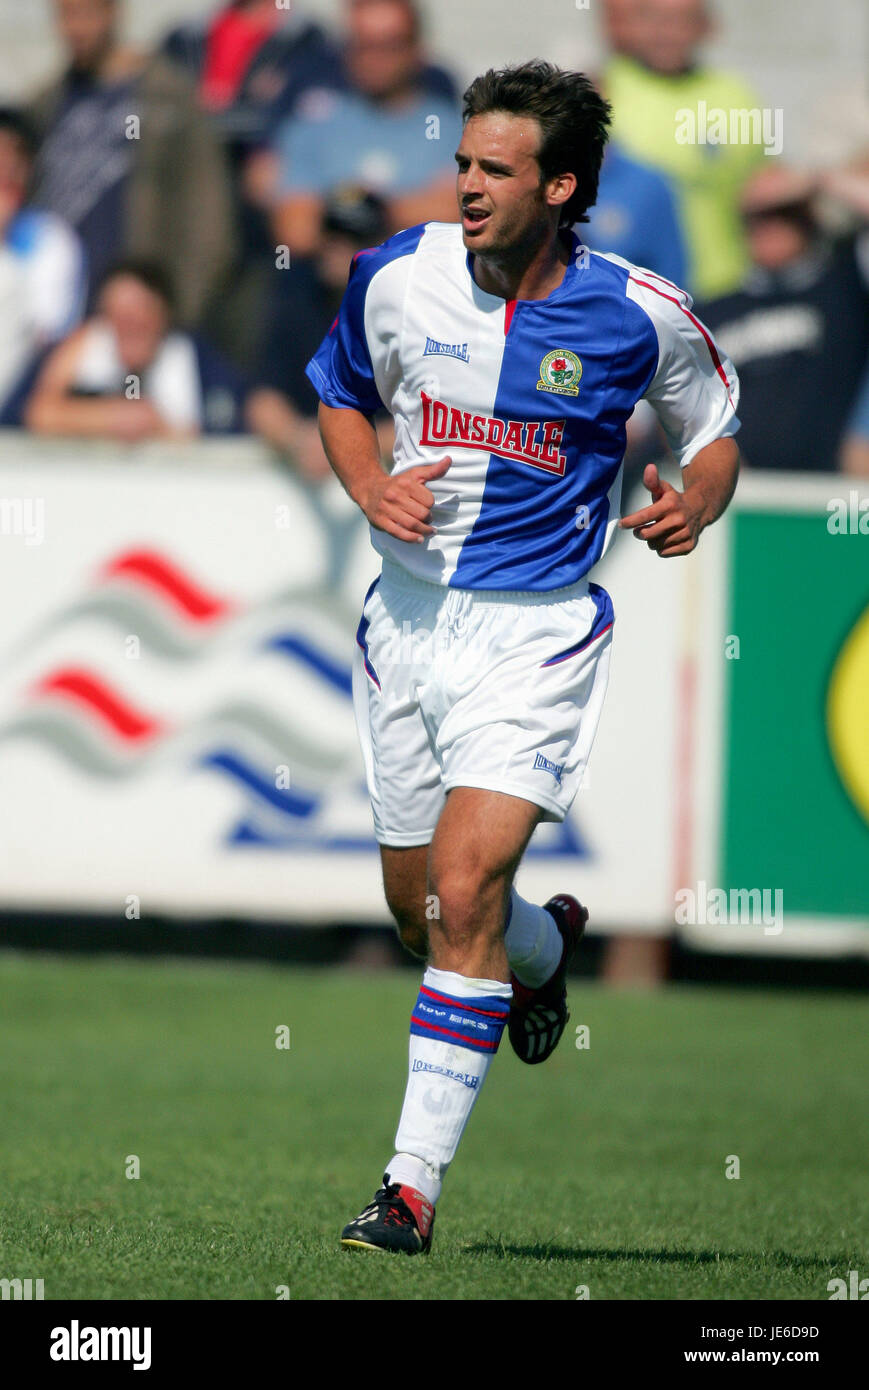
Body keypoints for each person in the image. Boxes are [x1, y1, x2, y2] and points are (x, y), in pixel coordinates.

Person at [305, 60, 740, 1253]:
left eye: (494, 171)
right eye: (461, 164)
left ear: (559, 187)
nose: (466, 188)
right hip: (404, 626)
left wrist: (692, 504)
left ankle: (406, 1192)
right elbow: (339, 393)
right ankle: (540, 954)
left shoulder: (638, 309)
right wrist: (365, 486)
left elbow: (713, 431)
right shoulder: (395, 275)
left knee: (458, 893)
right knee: (421, 910)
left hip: (537, 633)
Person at [27, 0, 235, 326]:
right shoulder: (44, 105)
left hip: (140, 319)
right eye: (66, 16)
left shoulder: (168, 95)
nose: (76, 29)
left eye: (85, 14)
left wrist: (177, 314)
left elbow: (209, 218)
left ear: (113, 12)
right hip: (61, 317)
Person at [699, 166, 869, 472]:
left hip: (827, 492)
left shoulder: (844, 290)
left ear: (807, 218)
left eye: (783, 214)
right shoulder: (713, 312)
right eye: (757, 217)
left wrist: (820, 180)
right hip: (741, 495)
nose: (768, 227)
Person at [272, 0, 461, 259]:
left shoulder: (449, 128)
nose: (376, 58)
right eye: (364, 45)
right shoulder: (314, 123)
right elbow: (294, 228)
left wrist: (365, 210)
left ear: (417, 49)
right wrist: (406, 209)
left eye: (390, 45)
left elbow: (452, 214)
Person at [601, 0, 765, 298]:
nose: (668, 34)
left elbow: (760, 181)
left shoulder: (734, 93)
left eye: (682, 21)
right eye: (656, 20)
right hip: (640, 291)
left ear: (707, 28)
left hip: (725, 284)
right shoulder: (604, 90)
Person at [24, 259, 251, 441]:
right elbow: (40, 414)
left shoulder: (194, 357)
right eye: (117, 314)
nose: (128, 323)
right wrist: (110, 418)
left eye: (139, 312)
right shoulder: (85, 344)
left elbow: (219, 438)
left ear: (164, 315)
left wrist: (156, 424)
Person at [0, 107, 85, 420]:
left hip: (17, 405)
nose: (6, 168)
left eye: (16, 158)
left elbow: (44, 336)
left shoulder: (50, 239)